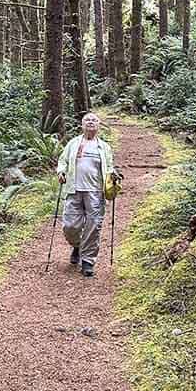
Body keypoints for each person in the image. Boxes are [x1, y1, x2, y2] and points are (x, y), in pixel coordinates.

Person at [56, 112, 119, 277]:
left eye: (94, 120)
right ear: (82, 125)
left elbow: (110, 166)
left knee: (93, 226)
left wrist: (113, 175)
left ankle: (88, 261)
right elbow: (63, 161)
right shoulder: (73, 143)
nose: (90, 122)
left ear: (98, 125)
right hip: (73, 189)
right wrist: (61, 171)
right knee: (70, 226)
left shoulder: (104, 147)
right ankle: (77, 245)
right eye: (87, 120)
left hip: (95, 191)